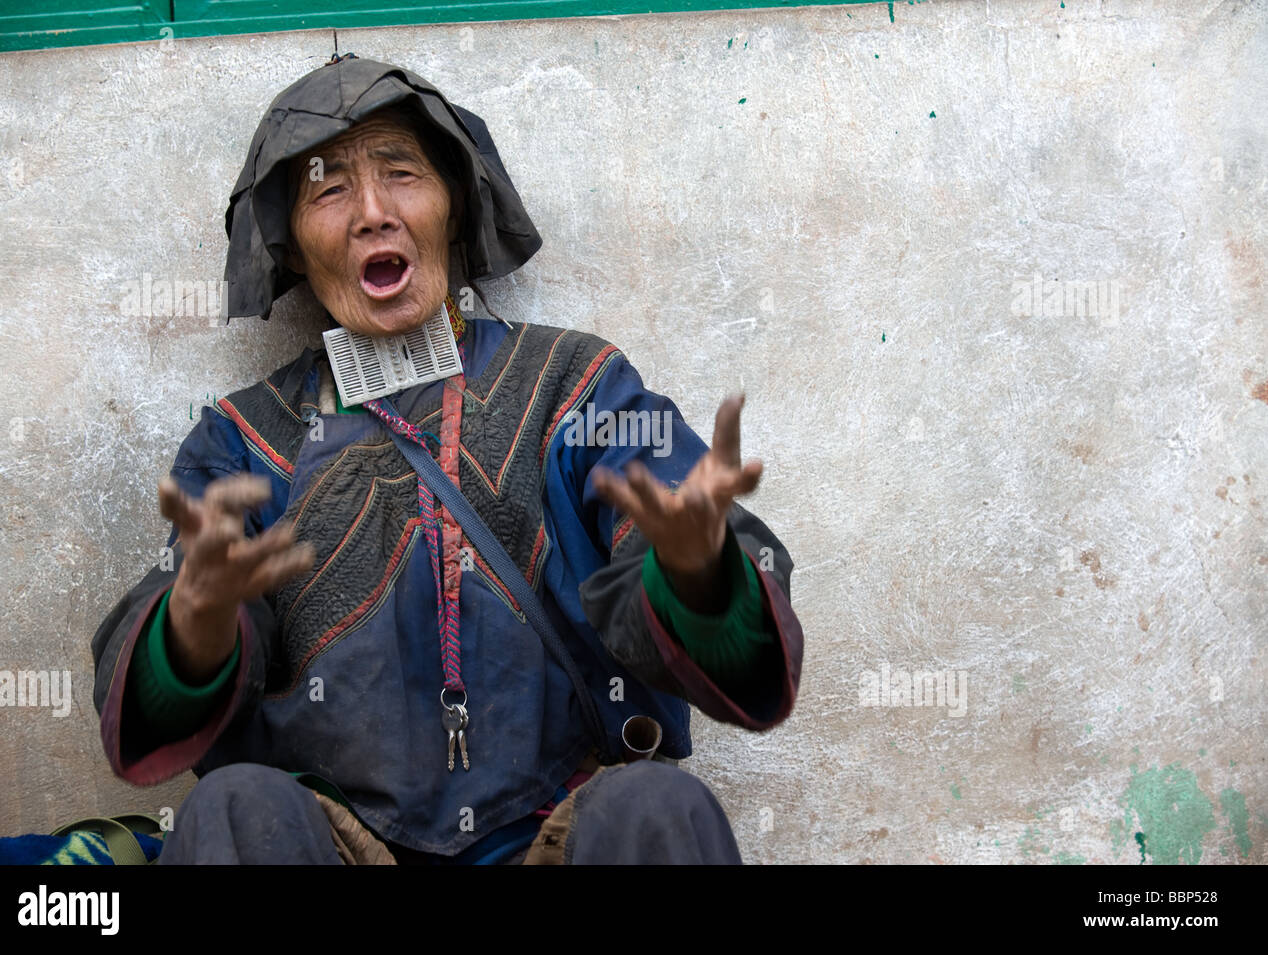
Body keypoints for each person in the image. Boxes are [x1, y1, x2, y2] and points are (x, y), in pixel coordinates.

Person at [91, 55, 804, 864]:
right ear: (290, 247)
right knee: (233, 811)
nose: (372, 213)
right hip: (342, 843)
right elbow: (153, 699)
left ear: (456, 208)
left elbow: (718, 607)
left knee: (658, 807)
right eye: (328, 191)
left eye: (402, 174)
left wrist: (700, 575)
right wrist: (193, 625)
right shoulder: (241, 439)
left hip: (551, 831)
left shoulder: (574, 387)